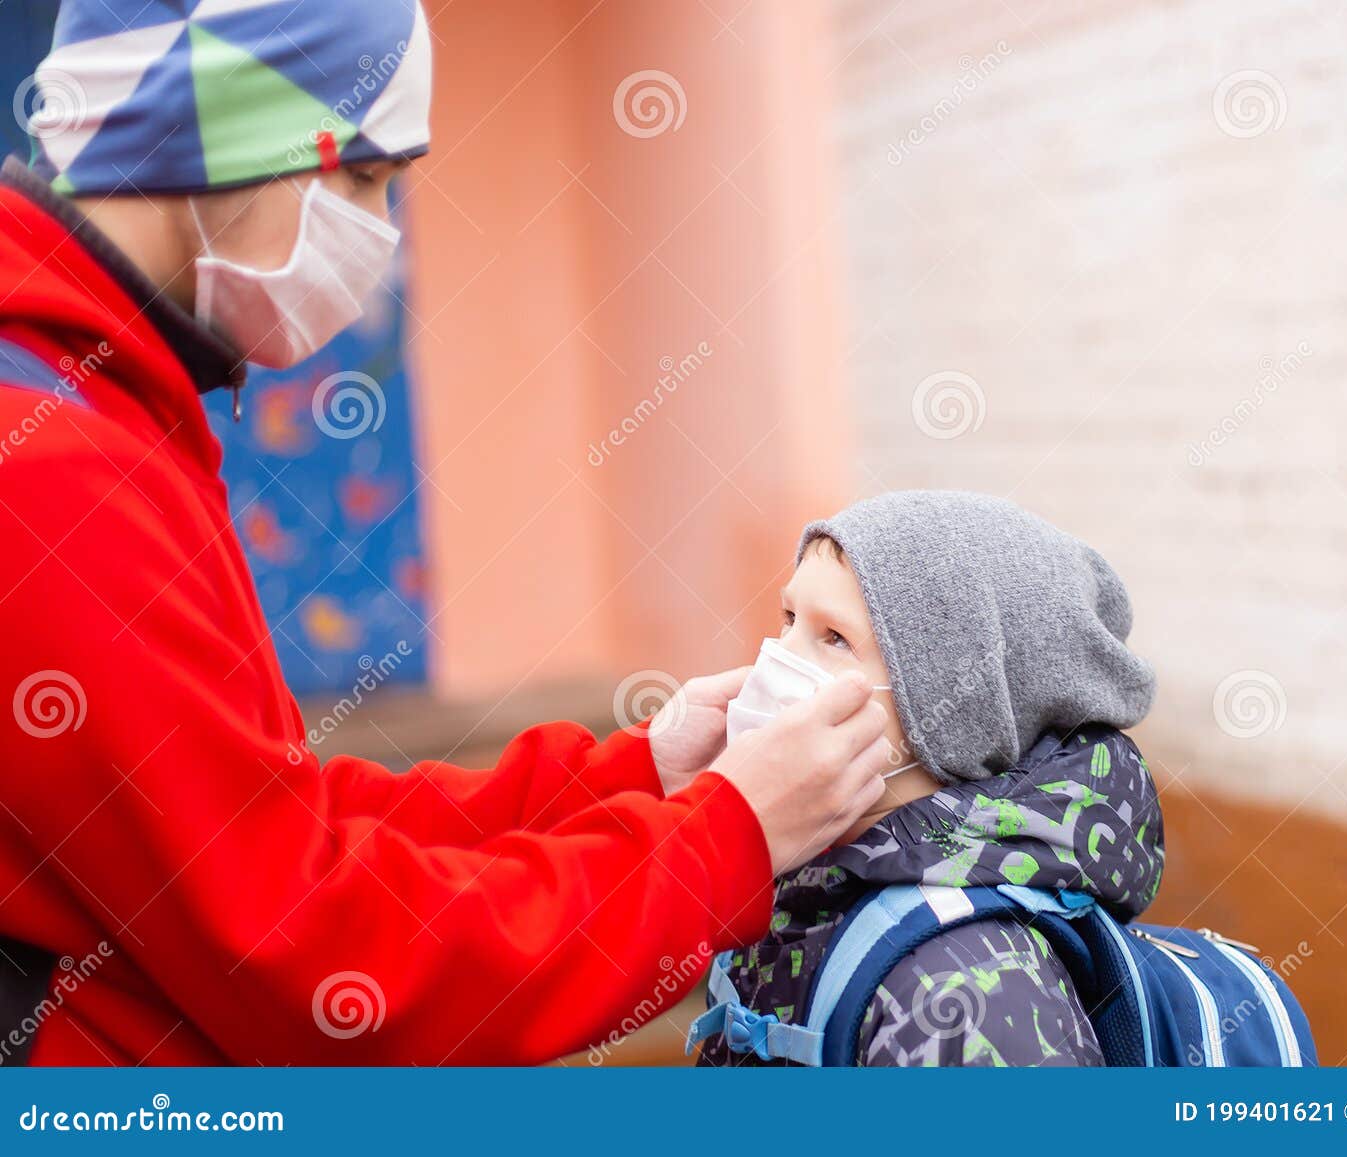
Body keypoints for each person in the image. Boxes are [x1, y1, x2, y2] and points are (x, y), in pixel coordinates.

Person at [0, 0, 888, 1065]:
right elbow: (324, 962)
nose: (380, 229)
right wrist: (727, 840)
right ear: (248, 139)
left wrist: (640, 776)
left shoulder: (89, 396)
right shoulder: (53, 469)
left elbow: (267, 820)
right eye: (371, 178)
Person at [693, 490, 1166, 1067]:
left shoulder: (968, 990)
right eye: (789, 619)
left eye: (834, 638)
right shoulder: (804, 874)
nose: (773, 661)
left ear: (951, 715)